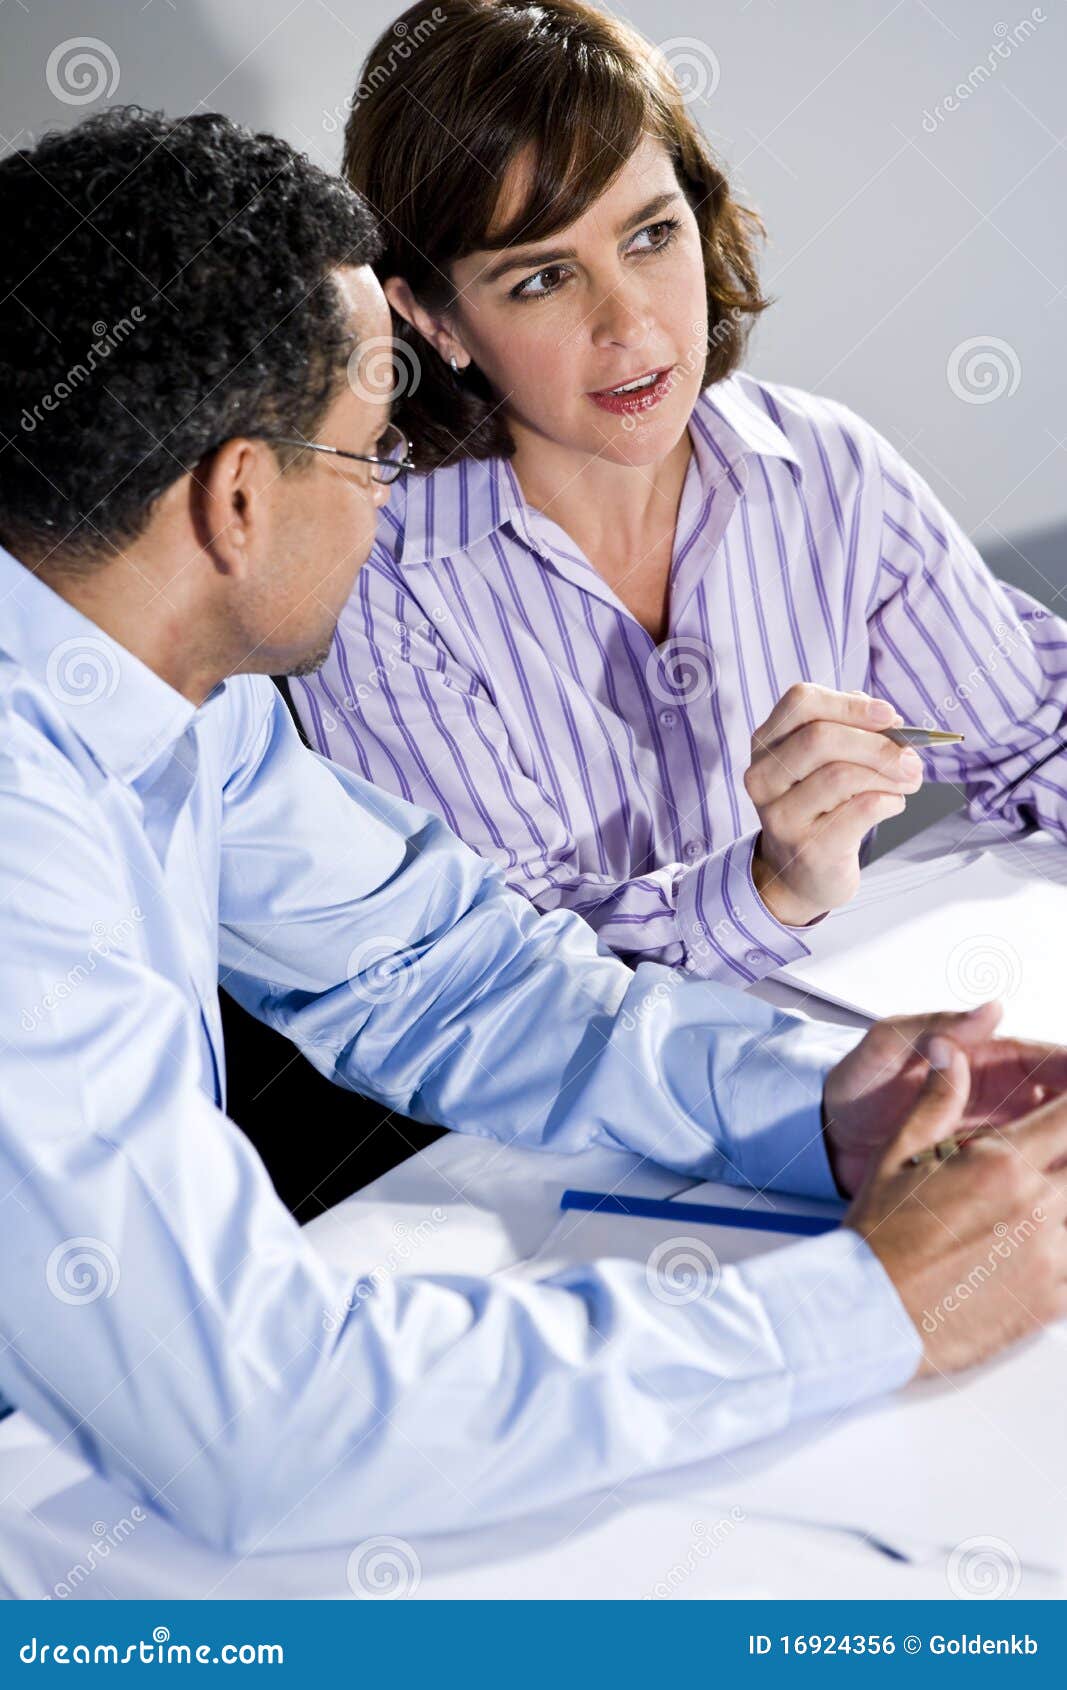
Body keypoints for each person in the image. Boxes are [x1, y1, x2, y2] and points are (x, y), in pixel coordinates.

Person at [2, 108, 1066, 1559]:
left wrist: (812, 1102)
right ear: (236, 500)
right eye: (374, 456)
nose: (393, 505)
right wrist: (873, 1305)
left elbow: (434, 965)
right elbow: (261, 1420)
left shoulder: (171, 684)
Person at [298, 0, 1067, 984]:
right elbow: (498, 986)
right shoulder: (375, 578)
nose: (627, 323)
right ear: (435, 322)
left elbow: (1034, 732)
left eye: (650, 235)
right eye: (541, 279)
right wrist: (768, 883)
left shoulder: (824, 469)